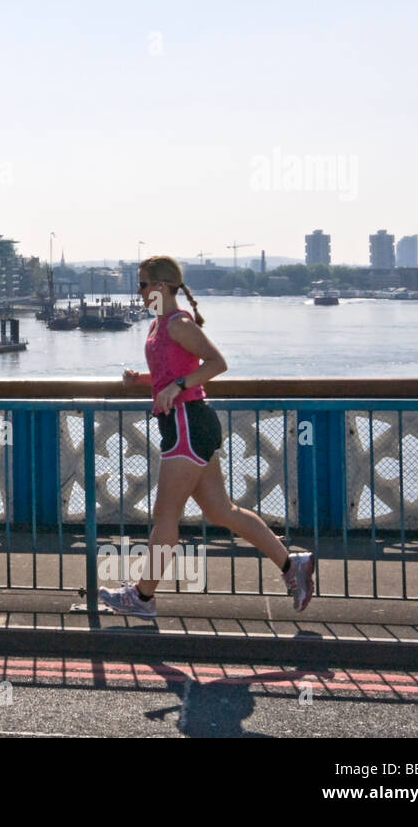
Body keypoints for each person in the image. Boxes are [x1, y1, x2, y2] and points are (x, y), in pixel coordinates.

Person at [98, 255, 314, 618]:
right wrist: (144, 381)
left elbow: (216, 363)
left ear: (161, 287)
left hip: (186, 424)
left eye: (142, 284)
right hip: (188, 423)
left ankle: (142, 597)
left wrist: (176, 387)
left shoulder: (178, 323)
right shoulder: (159, 324)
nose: (138, 292)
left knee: (165, 517)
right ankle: (293, 566)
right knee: (221, 510)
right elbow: (173, 373)